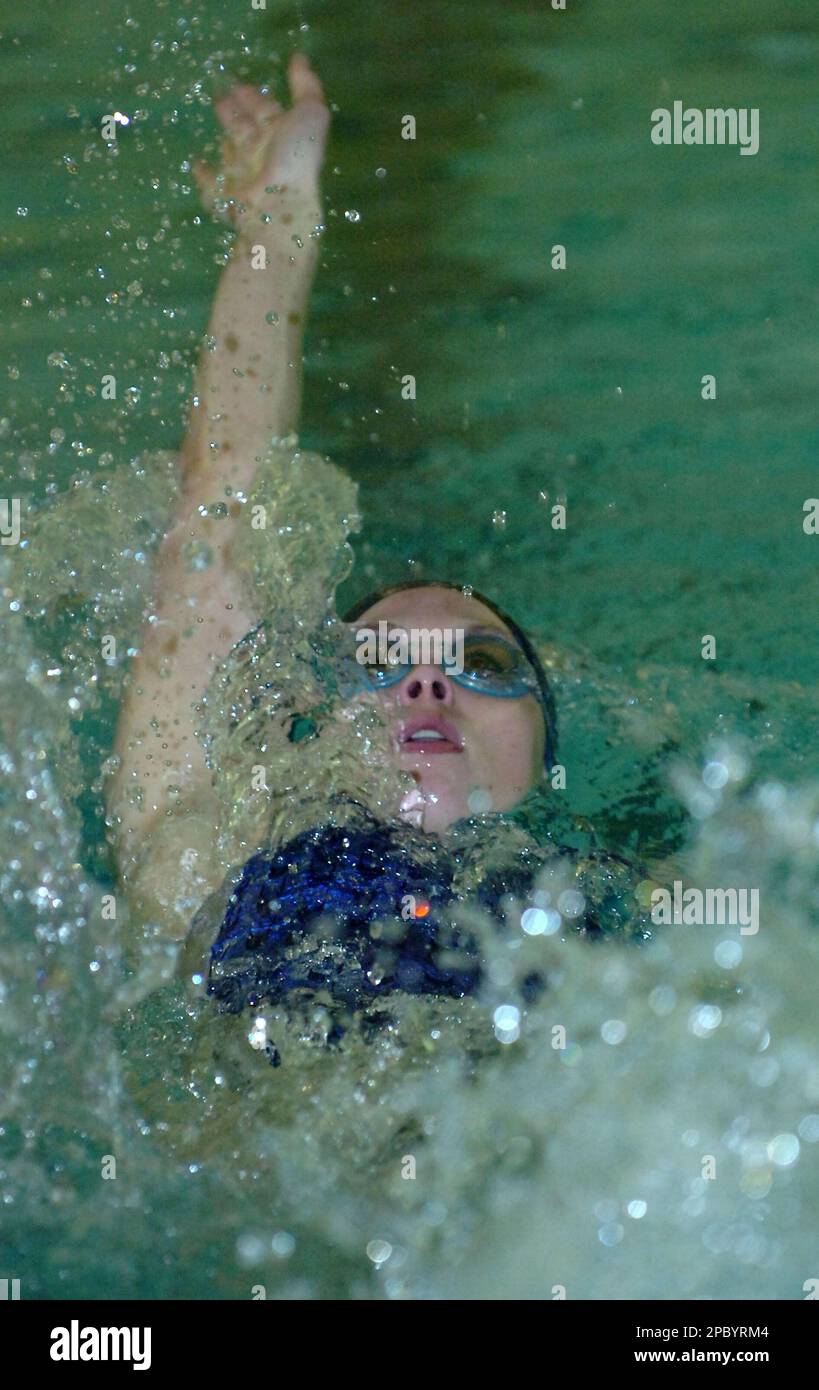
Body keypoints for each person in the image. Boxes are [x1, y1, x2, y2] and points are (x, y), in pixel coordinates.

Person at [106, 54, 650, 1031]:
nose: (429, 687)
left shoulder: (638, 904)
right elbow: (215, 523)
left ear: (544, 751)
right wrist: (279, 217)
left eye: (482, 665)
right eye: (380, 661)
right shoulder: (200, 859)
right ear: (300, 715)